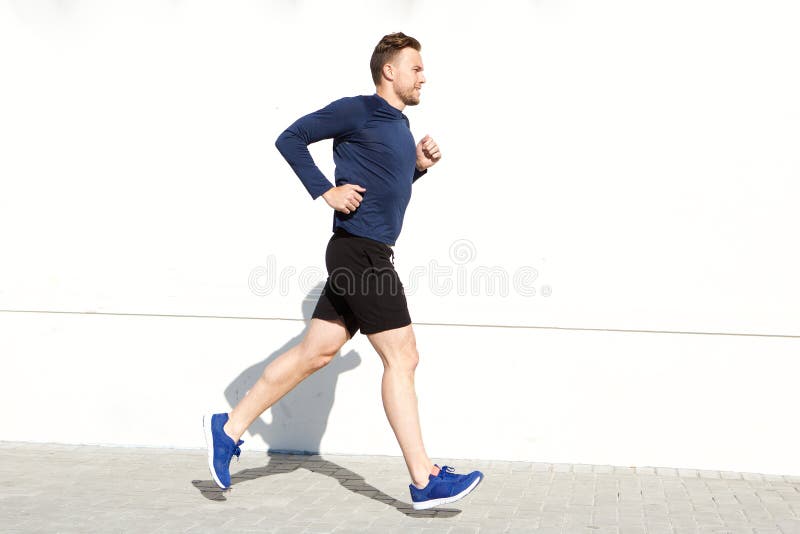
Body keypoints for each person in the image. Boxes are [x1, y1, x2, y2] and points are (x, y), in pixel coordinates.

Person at [203, 32, 483, 510]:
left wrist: (417, 166)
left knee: (317, 352)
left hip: (361, 252)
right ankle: (423, 479)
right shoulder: (357, 109)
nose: (423, 76)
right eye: (415, 67)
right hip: (361, 255)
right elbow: (289, 137)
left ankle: (227, 428)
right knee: (404, 358)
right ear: (388, 71)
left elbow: (384, 187)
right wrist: (324, 191)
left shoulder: (399, 127)